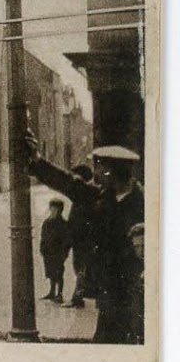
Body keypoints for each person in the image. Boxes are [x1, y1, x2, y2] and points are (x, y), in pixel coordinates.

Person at [27, 137, 145, 344]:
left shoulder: (143, 203)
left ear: (112, 171)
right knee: (107, 340)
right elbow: (70, 184)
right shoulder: (103, 195)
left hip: (133, 292)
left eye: (99, 167)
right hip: (108, 290)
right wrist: (38, 161)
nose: (95, 173)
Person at [65, 163, 96, 307]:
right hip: (79, 239)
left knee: (81, 268)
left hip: (83, 240)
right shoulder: (82, 196)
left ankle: (77, 298)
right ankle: (78, 296)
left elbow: (80, 220)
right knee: (80, 268)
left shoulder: (85, 197)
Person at [40, 197, 71, 304]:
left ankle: (59, 294)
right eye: (53, 208)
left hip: (58, 252)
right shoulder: (47, 222)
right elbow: (43, 237)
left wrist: (64, 252)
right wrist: (42, 248)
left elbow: (67, 240)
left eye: (57, 209)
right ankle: (52, 291)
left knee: (59, 273)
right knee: (50, 272)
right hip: (48, 252)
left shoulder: (63, 224)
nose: (54, 211)